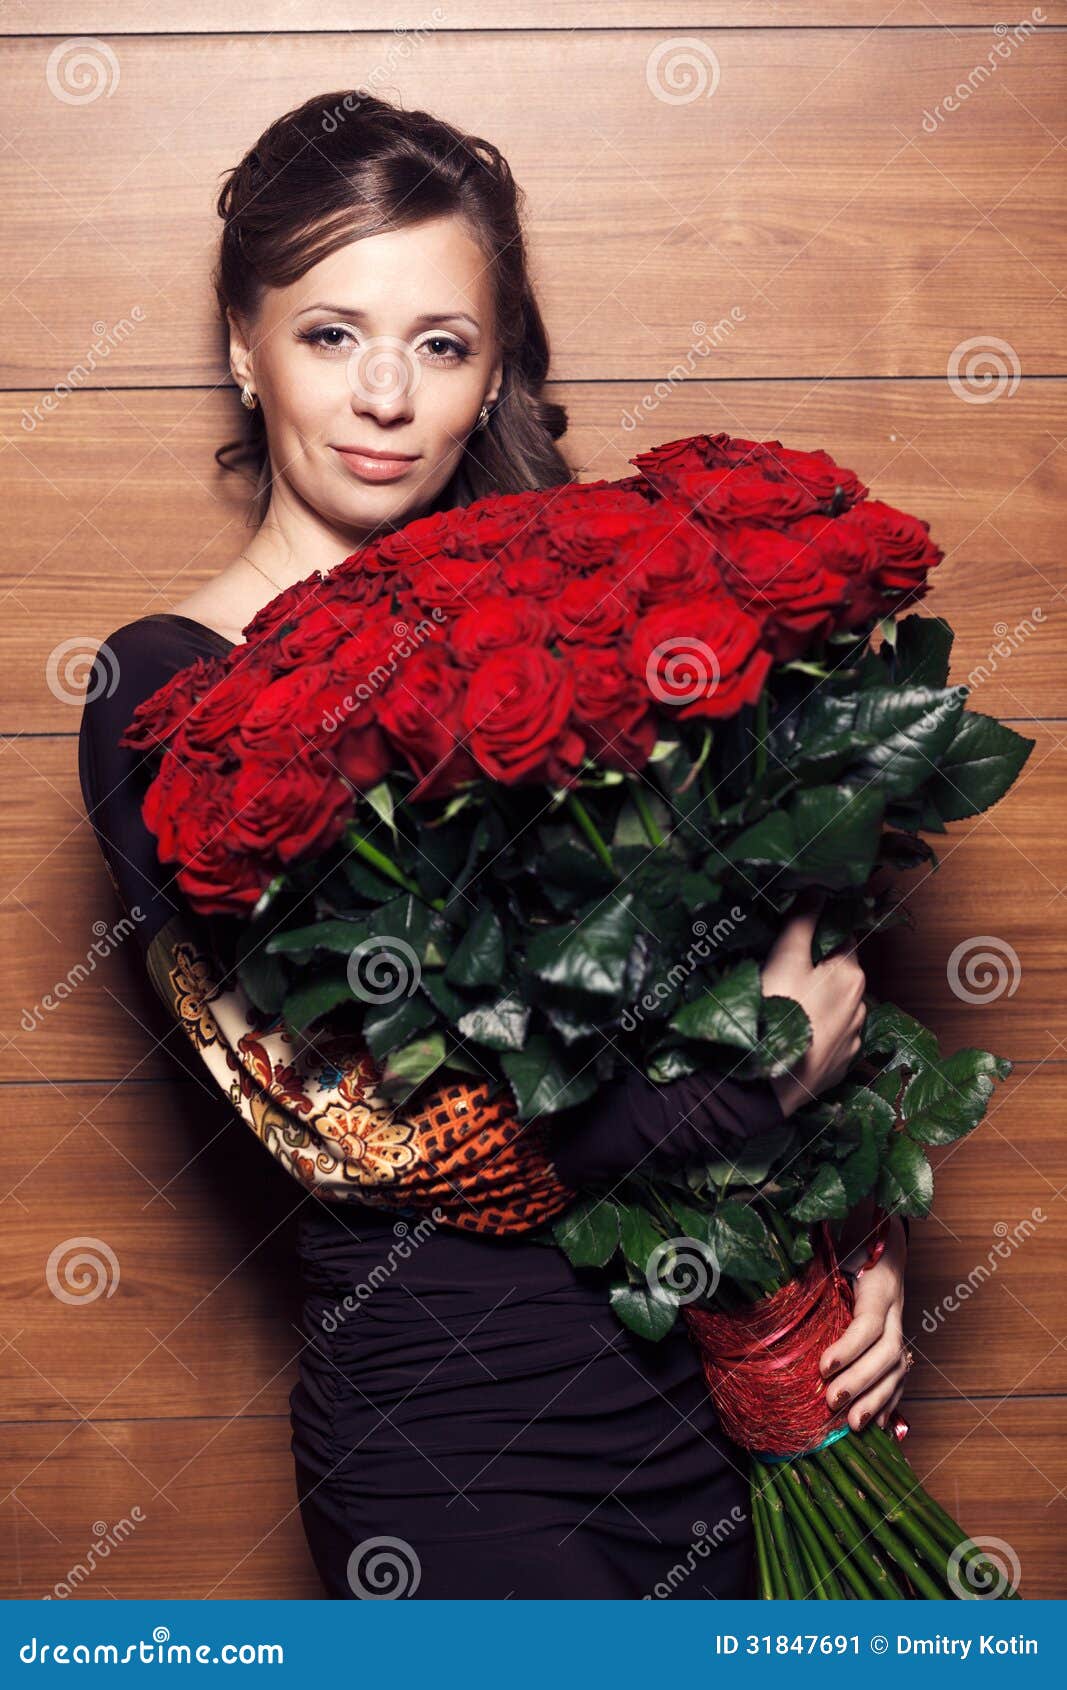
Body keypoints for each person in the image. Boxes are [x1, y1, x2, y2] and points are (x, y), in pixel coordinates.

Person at [77, 90, 908, 1600]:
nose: (385, 395)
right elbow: (370, 1132)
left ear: (494, 370)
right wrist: (761, 1071)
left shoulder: (596, 618)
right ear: (240, 349)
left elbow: (781, 939)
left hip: (721, 1386)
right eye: (332, 333)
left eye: (441, 344)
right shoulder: (169, 693)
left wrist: (842, 1250)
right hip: (462, 1440)